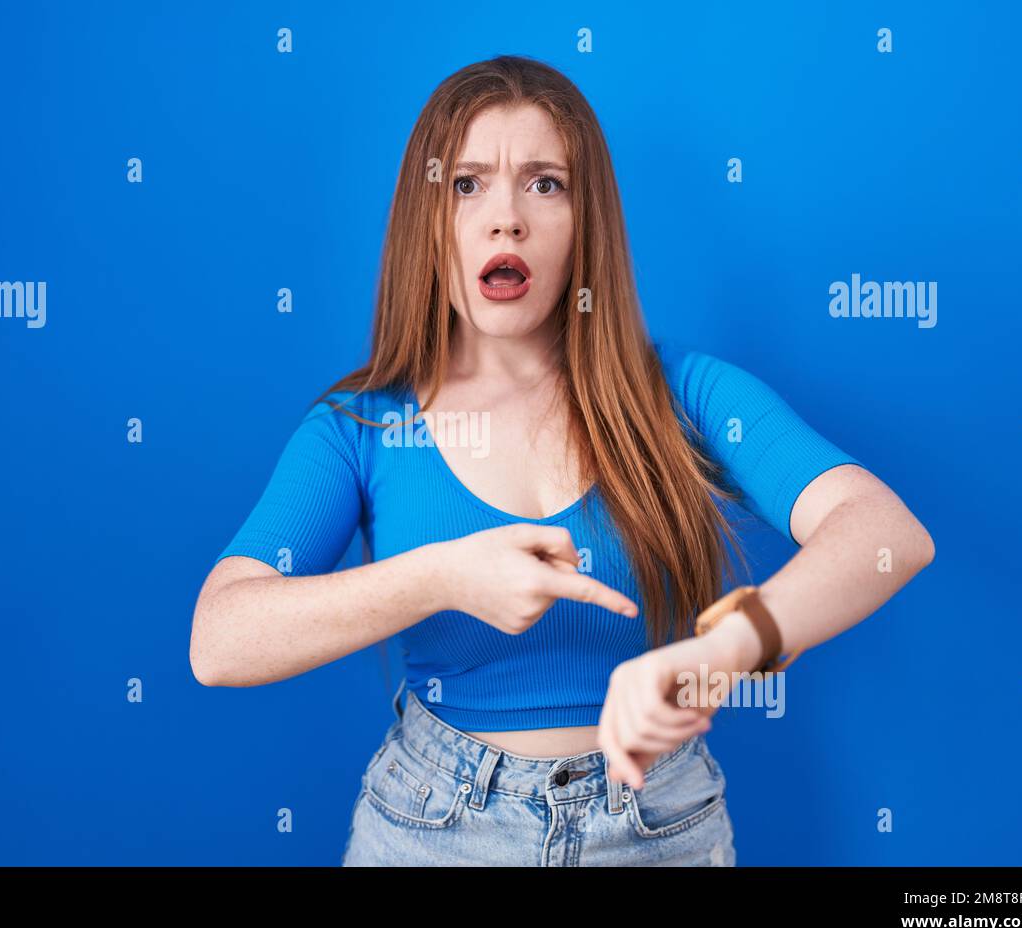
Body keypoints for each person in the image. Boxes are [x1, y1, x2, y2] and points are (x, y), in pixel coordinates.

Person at [190, 55, 935, 866]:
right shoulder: (359, 428)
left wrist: (722, 655)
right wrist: (443, 576)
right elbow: (220, 641)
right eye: (466, 184)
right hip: (434, 833)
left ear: (587, 223)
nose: (505, 218)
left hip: (659, 829)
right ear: (425, 220)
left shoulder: (682, 395)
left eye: (544, 183)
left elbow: (884, 533)